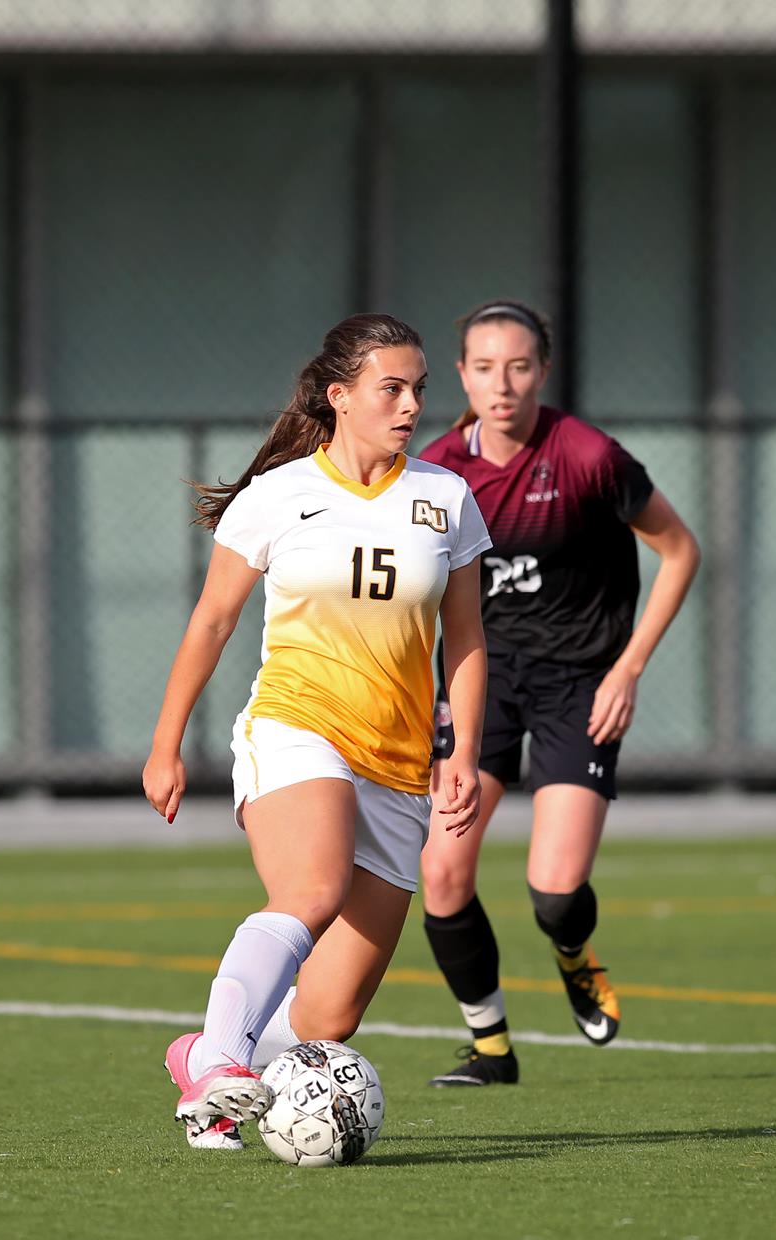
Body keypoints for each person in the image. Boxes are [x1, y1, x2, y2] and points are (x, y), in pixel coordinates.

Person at [143, 313, 492, 1149]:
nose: (411, 403)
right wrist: (165, 743)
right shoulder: (280, 497)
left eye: (419, 390)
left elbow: (469, 637)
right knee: (310, 890)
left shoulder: (444, 498)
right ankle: (220, 1062)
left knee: (332, 1011)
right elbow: (212, 621)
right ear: (339, 397)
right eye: (392, 388)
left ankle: (206, 1058)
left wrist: (464, 753)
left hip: (401, 764)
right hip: (297, 728)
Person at [417, 299, 701, 1087]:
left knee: (554, 890)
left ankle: (574, 955)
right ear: (463, 375)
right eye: (483, 367)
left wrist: (629, 667)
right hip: (485, 680)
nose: (501, 383)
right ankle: (491, 1048)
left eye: (518, 365)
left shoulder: (586, 455)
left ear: (543, 369)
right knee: (441, 873)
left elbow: (680, 551)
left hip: (583, 682)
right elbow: (423, 592)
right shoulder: (439, 472)